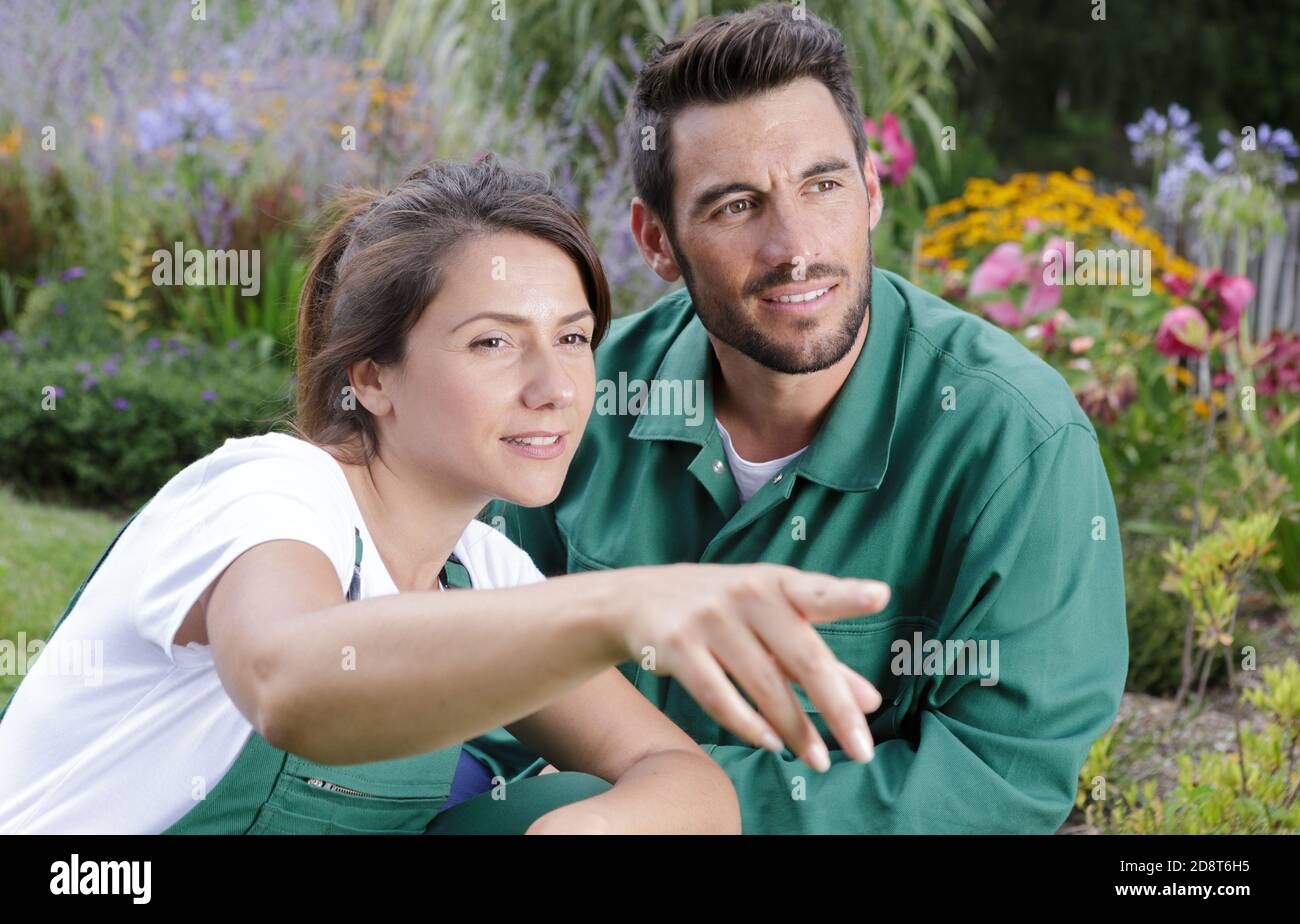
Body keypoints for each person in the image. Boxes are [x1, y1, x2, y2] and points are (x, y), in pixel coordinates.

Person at [0, 155, 891, 835]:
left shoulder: (483, 568)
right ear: (373, 379)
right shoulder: (269, 491)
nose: (555, 387)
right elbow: (292, 680)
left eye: (574, 338)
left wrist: (584, 830)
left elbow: (680, 773)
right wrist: (623, 604)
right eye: (494, 345)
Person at [471, 4, 1129, 834]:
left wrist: (672, 804)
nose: (795, 247)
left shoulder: (1019, 444)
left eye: (822, 185)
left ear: (872, 189)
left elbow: (998, 782)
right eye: (736, 206)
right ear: (657, 241)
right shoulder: (579, 399)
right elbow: (479, 677)